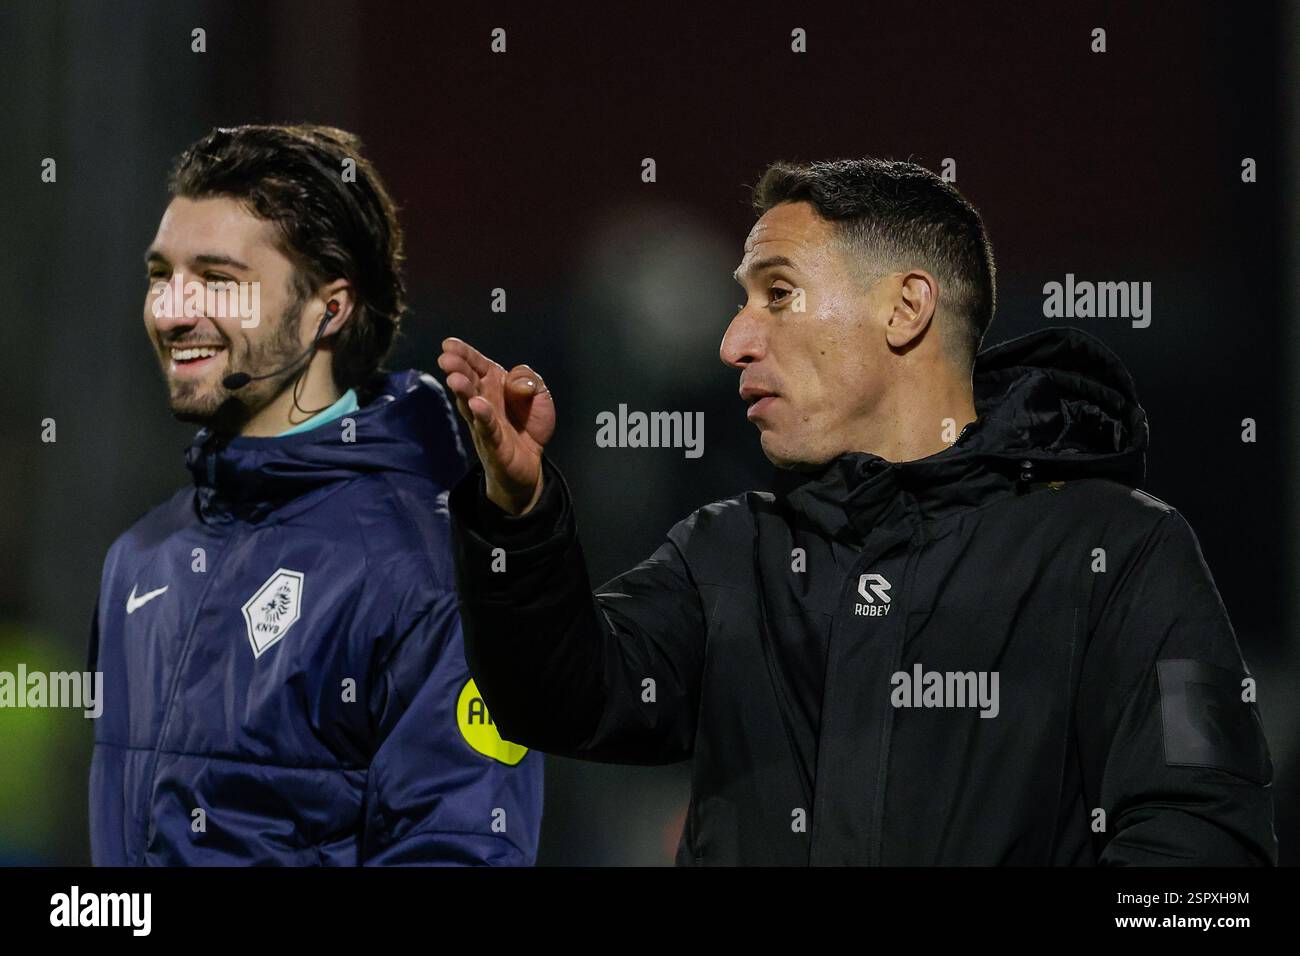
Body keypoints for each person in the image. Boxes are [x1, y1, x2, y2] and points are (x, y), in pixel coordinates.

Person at [439, 158, 1276, 865]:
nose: (734, 340)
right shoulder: (730, 552)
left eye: (778, 294)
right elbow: (555, 699)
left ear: (905, 310)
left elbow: (1205, 870)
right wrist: (518, 516)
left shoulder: (1119, 552)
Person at [89, 124, 541, 865]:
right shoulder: (139, 560)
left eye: (218, 279)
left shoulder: (436, 571)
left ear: (328, 309)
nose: (172, 311)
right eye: (160, 275)